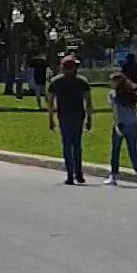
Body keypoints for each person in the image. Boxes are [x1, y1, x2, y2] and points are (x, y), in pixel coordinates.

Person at [46, 53, 93, 185]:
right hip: (78, 115)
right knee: (77, 145)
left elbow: (50, 102)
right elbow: (88, 101)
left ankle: (70, 175)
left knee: (67, 145)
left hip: (64, 116)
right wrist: (89, 119)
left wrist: (50, 119)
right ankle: (78, 173)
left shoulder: (55, 82)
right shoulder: (82, 81)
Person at [107, 56, 137, 186]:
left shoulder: (113, 95)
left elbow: (115, 112)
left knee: (116, 150)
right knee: (133, 150)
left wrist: (117, 125)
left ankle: (113, 176)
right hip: (133, 124)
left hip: (121, 124)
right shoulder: (131, 92)